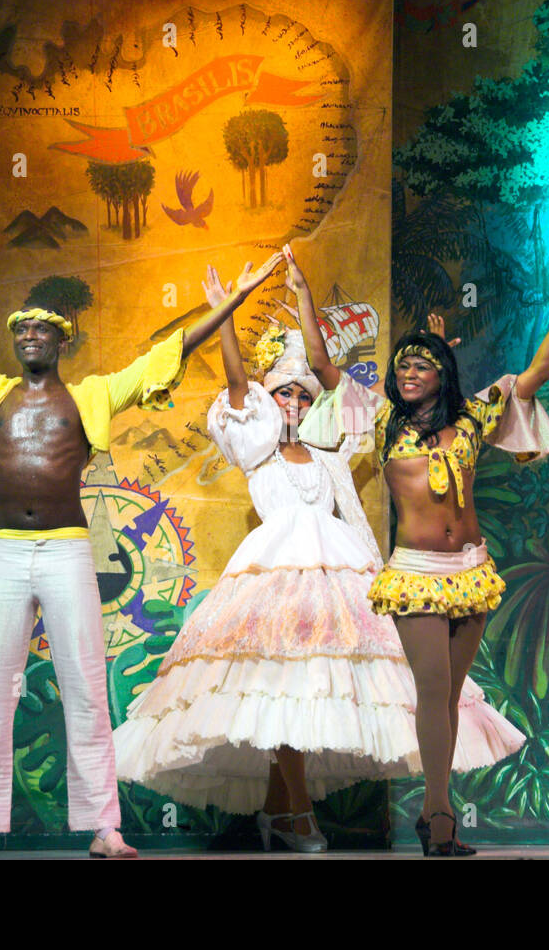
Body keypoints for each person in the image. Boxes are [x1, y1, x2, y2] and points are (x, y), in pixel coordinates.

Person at [0, 240, 281, 859]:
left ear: (62, 343)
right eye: (23, 329)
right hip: (6, 551)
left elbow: (168, 354)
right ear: (16, 343)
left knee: (85, 686)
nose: (31, 336)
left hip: (65, 550)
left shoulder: (91, 395)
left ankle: (104, 829)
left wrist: (229, 306)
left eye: (43, 329)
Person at [113, 259, 524, 852]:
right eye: (280, 393)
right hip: (276, 575)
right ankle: (292, 811)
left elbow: (365, 403)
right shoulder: (258, 452)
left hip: (334, 575)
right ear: (266, 399)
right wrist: (226, 317)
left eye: (299, 395)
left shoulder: (330, 454)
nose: (291, 403)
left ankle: (290, 811)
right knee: (281, 686)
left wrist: (440, 358)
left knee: (319, 689)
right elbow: (235, 383)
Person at [300, 251, 549, 855]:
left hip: (472, 571)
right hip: (417, 574)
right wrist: (304, 292)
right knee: (433, 693)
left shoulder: (473, 417)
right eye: (401, 364)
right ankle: (438, 817)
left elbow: (534, 375)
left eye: (420, 364)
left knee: (451, 697)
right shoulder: (383, 423)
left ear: (442, 375)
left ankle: (439, 813)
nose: (407, 371)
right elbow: (325, 366)